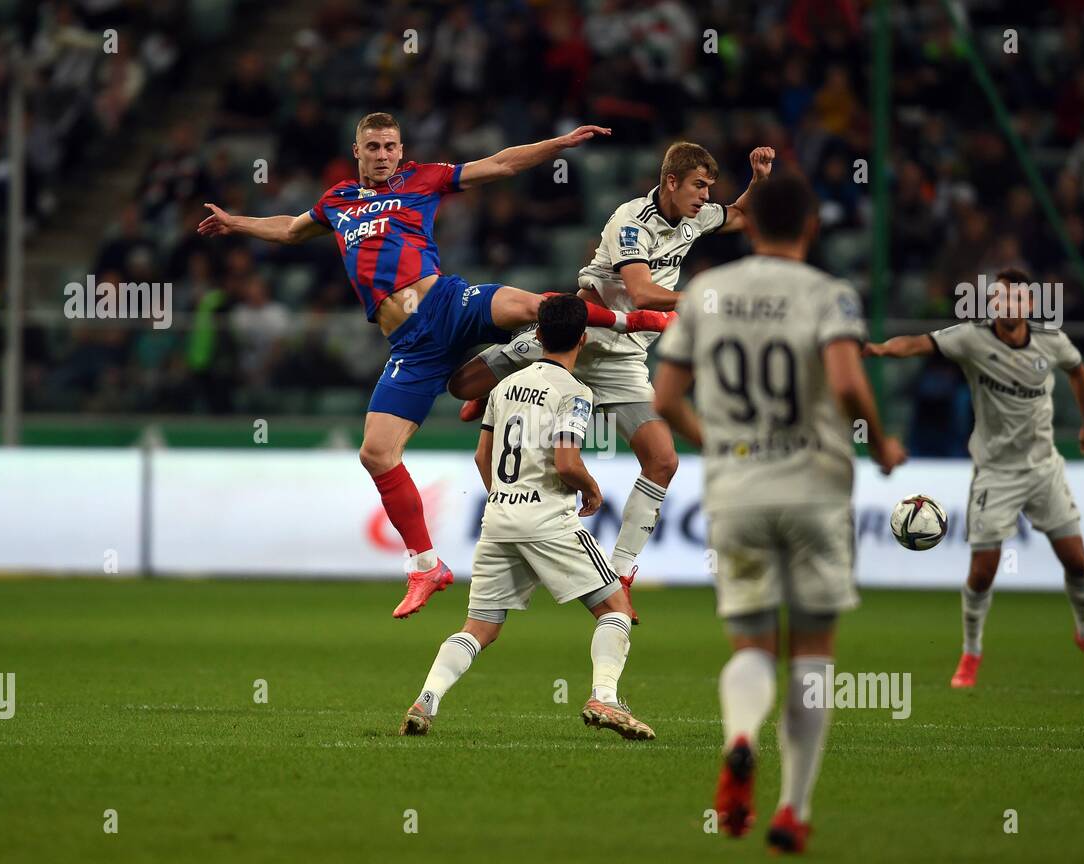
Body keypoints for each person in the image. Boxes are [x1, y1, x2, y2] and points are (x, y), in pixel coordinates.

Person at [198, 113, 672, 618]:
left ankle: (632, 319)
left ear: (401, 152)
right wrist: (236, 222)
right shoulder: (336, 201)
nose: (382, 154)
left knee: (540, 306)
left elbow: (501, 164)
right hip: (410, 343)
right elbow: (291, 230)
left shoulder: (422, 178)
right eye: (373, 146)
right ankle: (426, 564)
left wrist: (561, 142)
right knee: (376, 454)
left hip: (449, 301)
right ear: (356, 151)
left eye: (390, 146)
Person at [653, 170, 906, 854]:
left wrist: (723, 446)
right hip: (816, 487)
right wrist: (881, 443)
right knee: (814, 649)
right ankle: (793, 807)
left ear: (750, 225)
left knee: (753, 643)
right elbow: (850, 382)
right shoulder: (830, 294)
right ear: (813, 227)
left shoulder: (706, 293)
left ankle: (740, 737)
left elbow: (666, 398)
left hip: (738, 491)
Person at [448, 142, 776, 619]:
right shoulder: (630, 221)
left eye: (709, 187)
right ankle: (499, 385)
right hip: (574, 337)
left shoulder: (695, 217)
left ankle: (620, 569)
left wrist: (759, 178)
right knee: (462, 385)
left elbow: (743, 216)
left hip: (624, 360)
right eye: (698, 186)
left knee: (663, 460)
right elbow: (640, 291)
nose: (706, 196)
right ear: (671, 182)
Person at [400, 295, 653, 741]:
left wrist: (505, 498)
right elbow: (568, 462)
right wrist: (592, 491)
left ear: (536, 335)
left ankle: (427, 699)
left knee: (479, 627)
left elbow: (483, 456)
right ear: (582, 338)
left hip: (498, 517)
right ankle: (605, 698)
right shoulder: (575, 393)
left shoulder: (502, 387)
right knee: (614, 608)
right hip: (548, 520)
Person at [864, 267, 1084, 688]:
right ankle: (971, 652)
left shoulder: (1051, 341)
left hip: (1043, 469)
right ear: (992, 304)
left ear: (1030, 305)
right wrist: (880, 350)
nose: (1008, 306)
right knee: (983, 572)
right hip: (995, 473)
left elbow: (1078, 370)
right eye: (1000, 299)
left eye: (1017, 299)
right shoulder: (972, 338)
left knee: (1077, 561)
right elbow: (920, 344)